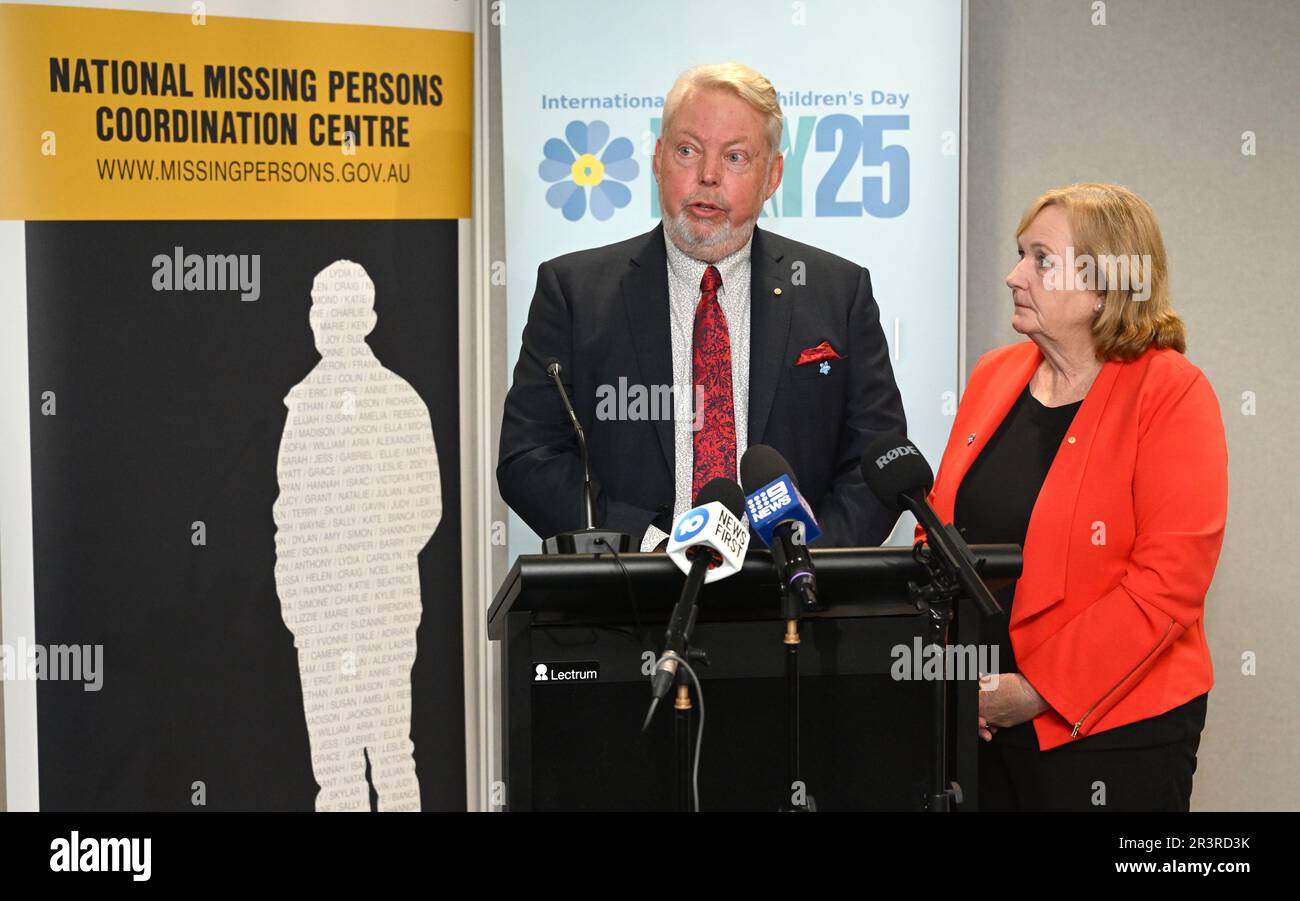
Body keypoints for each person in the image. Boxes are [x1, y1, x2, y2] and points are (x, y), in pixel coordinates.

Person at [498, 63, 906, 550]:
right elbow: (530, 458)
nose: (708, 176)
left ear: (772, 175)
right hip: (629, 602)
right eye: (688, 151)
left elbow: (876, 462)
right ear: (657, 159)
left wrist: (803, 562)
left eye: (735, 157)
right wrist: (650, 546)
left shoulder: (838, 293)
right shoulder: (573, 292)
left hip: (790, 606)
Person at [923, 183, 1227, 810]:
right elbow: (938, 540)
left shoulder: (1172, 392)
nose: (1013, 276)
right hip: (976, 725)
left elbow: (1167, 586)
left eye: (1040, 258)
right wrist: (958, 684)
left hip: (1116, 739)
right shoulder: (992, 375)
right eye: (1019, 254)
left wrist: (1036, 690)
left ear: (1105, 283)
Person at [273, 260, 441, 811]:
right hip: (321, 617)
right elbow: (289, 513)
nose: (326, 322)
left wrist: (369, 561)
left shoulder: (400, 402)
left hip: (380, 609)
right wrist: (298, 597)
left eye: (338, 310)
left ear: (366, 318)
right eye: (319, 309)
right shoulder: (303, 405)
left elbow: (425, 506)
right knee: (336, 769)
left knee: (391, 754)